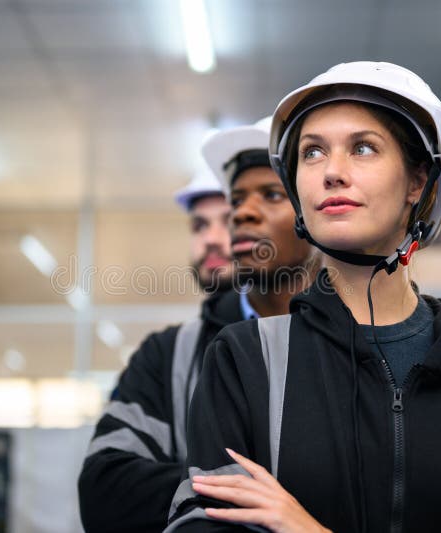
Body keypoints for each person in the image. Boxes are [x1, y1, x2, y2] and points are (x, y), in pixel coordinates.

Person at [166, 62, 441, 533]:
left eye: (363, 148)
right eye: (312, 152)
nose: (332, 171)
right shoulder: (244, 363)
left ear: (418, 183)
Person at [78, 118, 314, 532]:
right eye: (236, 201)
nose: (243, 216)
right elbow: (105, 488)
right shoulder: (172, 355)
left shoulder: (352, 341)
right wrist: (249, 491)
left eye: (270, 195)